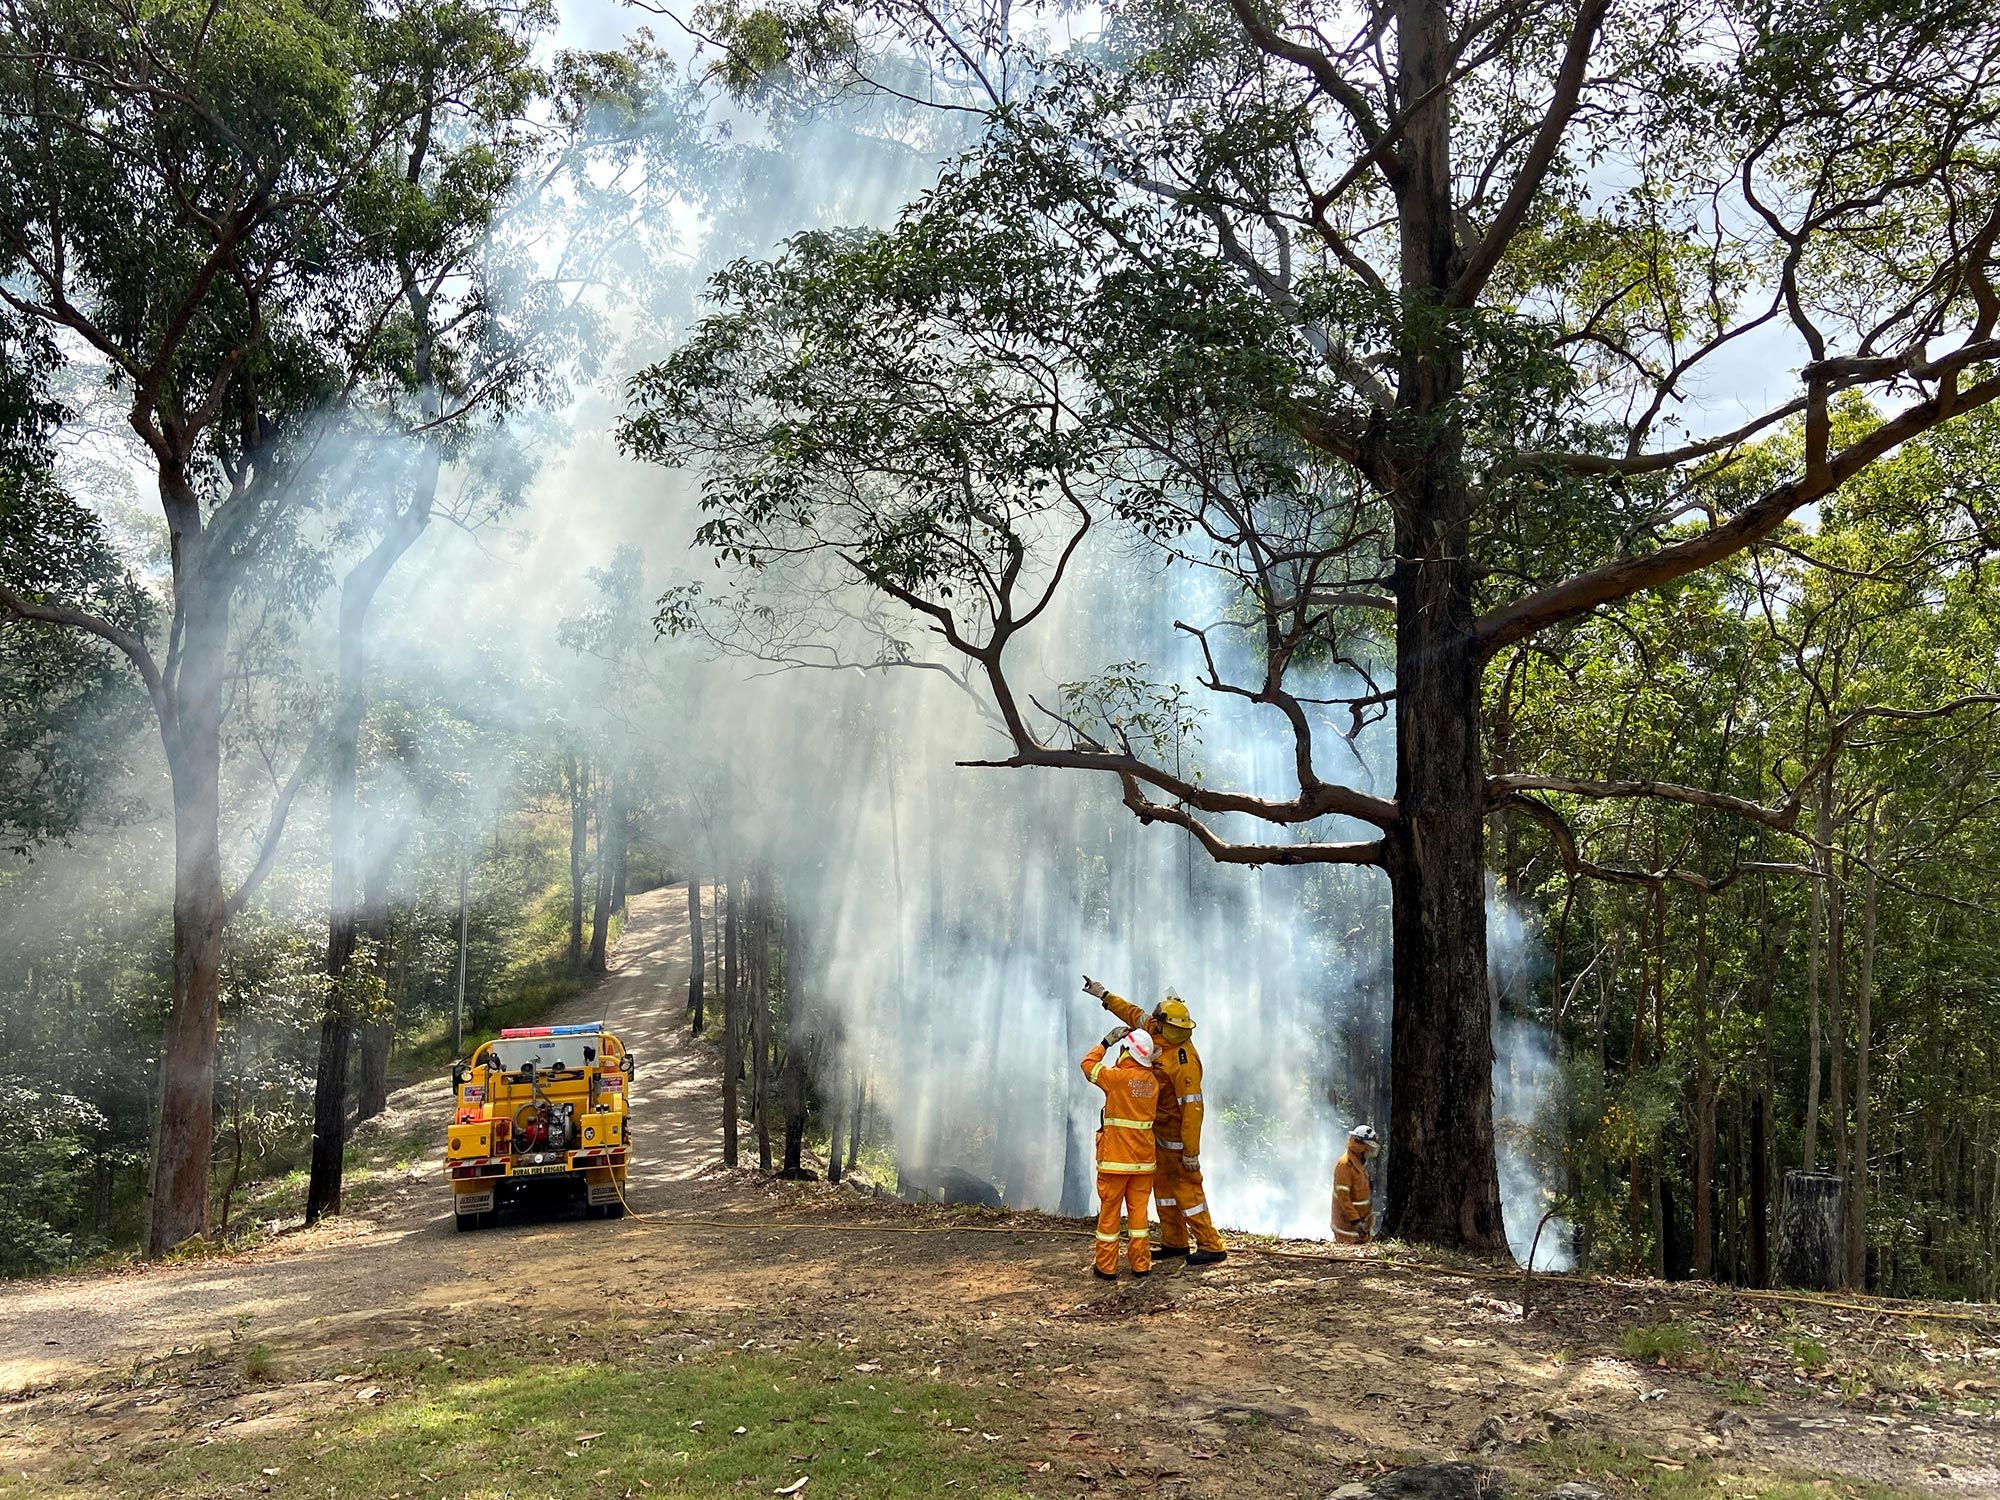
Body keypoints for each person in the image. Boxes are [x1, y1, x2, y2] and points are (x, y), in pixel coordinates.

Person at [1084, 976, 1227, 1267]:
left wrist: (1191, 1152)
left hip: (1177, 1138)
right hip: (1155, 1133)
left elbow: (1193, 1110)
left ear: (1166, 1024)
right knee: (1163, 1190)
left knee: (1187, 1189)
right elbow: (1133, 1012)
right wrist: (1104, 994)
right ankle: (1175, 1242)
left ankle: (1211, 1245)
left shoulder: (1184, 1062)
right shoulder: (1157, 1031)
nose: (1151, 1021)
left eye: (1156, 1020)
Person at [1079, 1023, 1162, 1280]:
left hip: (1115, 1161)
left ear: (1126, 1051)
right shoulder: (1152, 1082)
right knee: (1139, 1216)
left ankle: (1106, 1267)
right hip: (1143, 1163)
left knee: (1109, 1216)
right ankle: (1140, 1265)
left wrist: (1106, 1042)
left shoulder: (1116, 1079)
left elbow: (1087, 1065)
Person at [1332, 1124, 1379, 1244]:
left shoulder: (1360, 1163)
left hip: (1361, 1228)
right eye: (1369, 1147)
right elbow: (1343, 1198)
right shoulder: (1345, 1165)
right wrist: (1356, 1221)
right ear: (1360, 1147)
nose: (1371, 1151)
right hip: (1346, 1230)